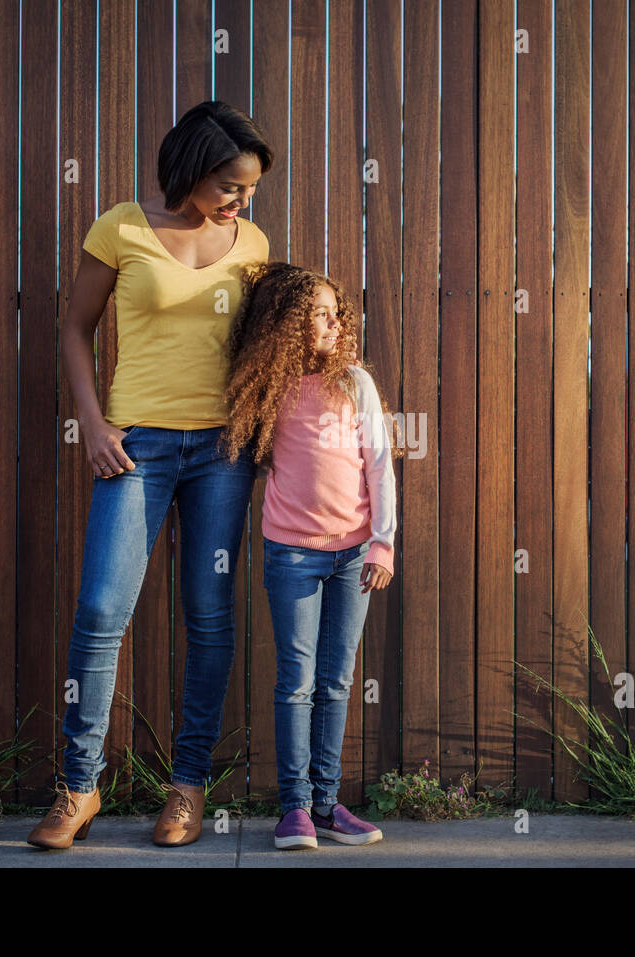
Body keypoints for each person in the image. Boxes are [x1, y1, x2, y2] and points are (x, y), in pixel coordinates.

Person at [27, 101, 272, 850]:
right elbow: (75, 327)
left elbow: (262, 346)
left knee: (208, 614)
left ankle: (187, 787)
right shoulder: (122, 227)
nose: (241, 199)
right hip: (138, 448)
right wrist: (93, 423)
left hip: (222, 450)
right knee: (102, 608)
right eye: (231, 184)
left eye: (251, 187)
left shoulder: (252, 241)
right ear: (193, 168)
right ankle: (78, 786)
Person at [220, 261, 402, 849]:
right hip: (292, 555)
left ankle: (327, 803)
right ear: (288, 321)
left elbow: (379, 465)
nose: (331, 322)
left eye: (335, 313)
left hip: (354, 555)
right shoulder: (268, 387)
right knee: (296, 681)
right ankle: (294, 808)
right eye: (317, 313)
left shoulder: (355, 383)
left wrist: (383, 541)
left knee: (336, 681)